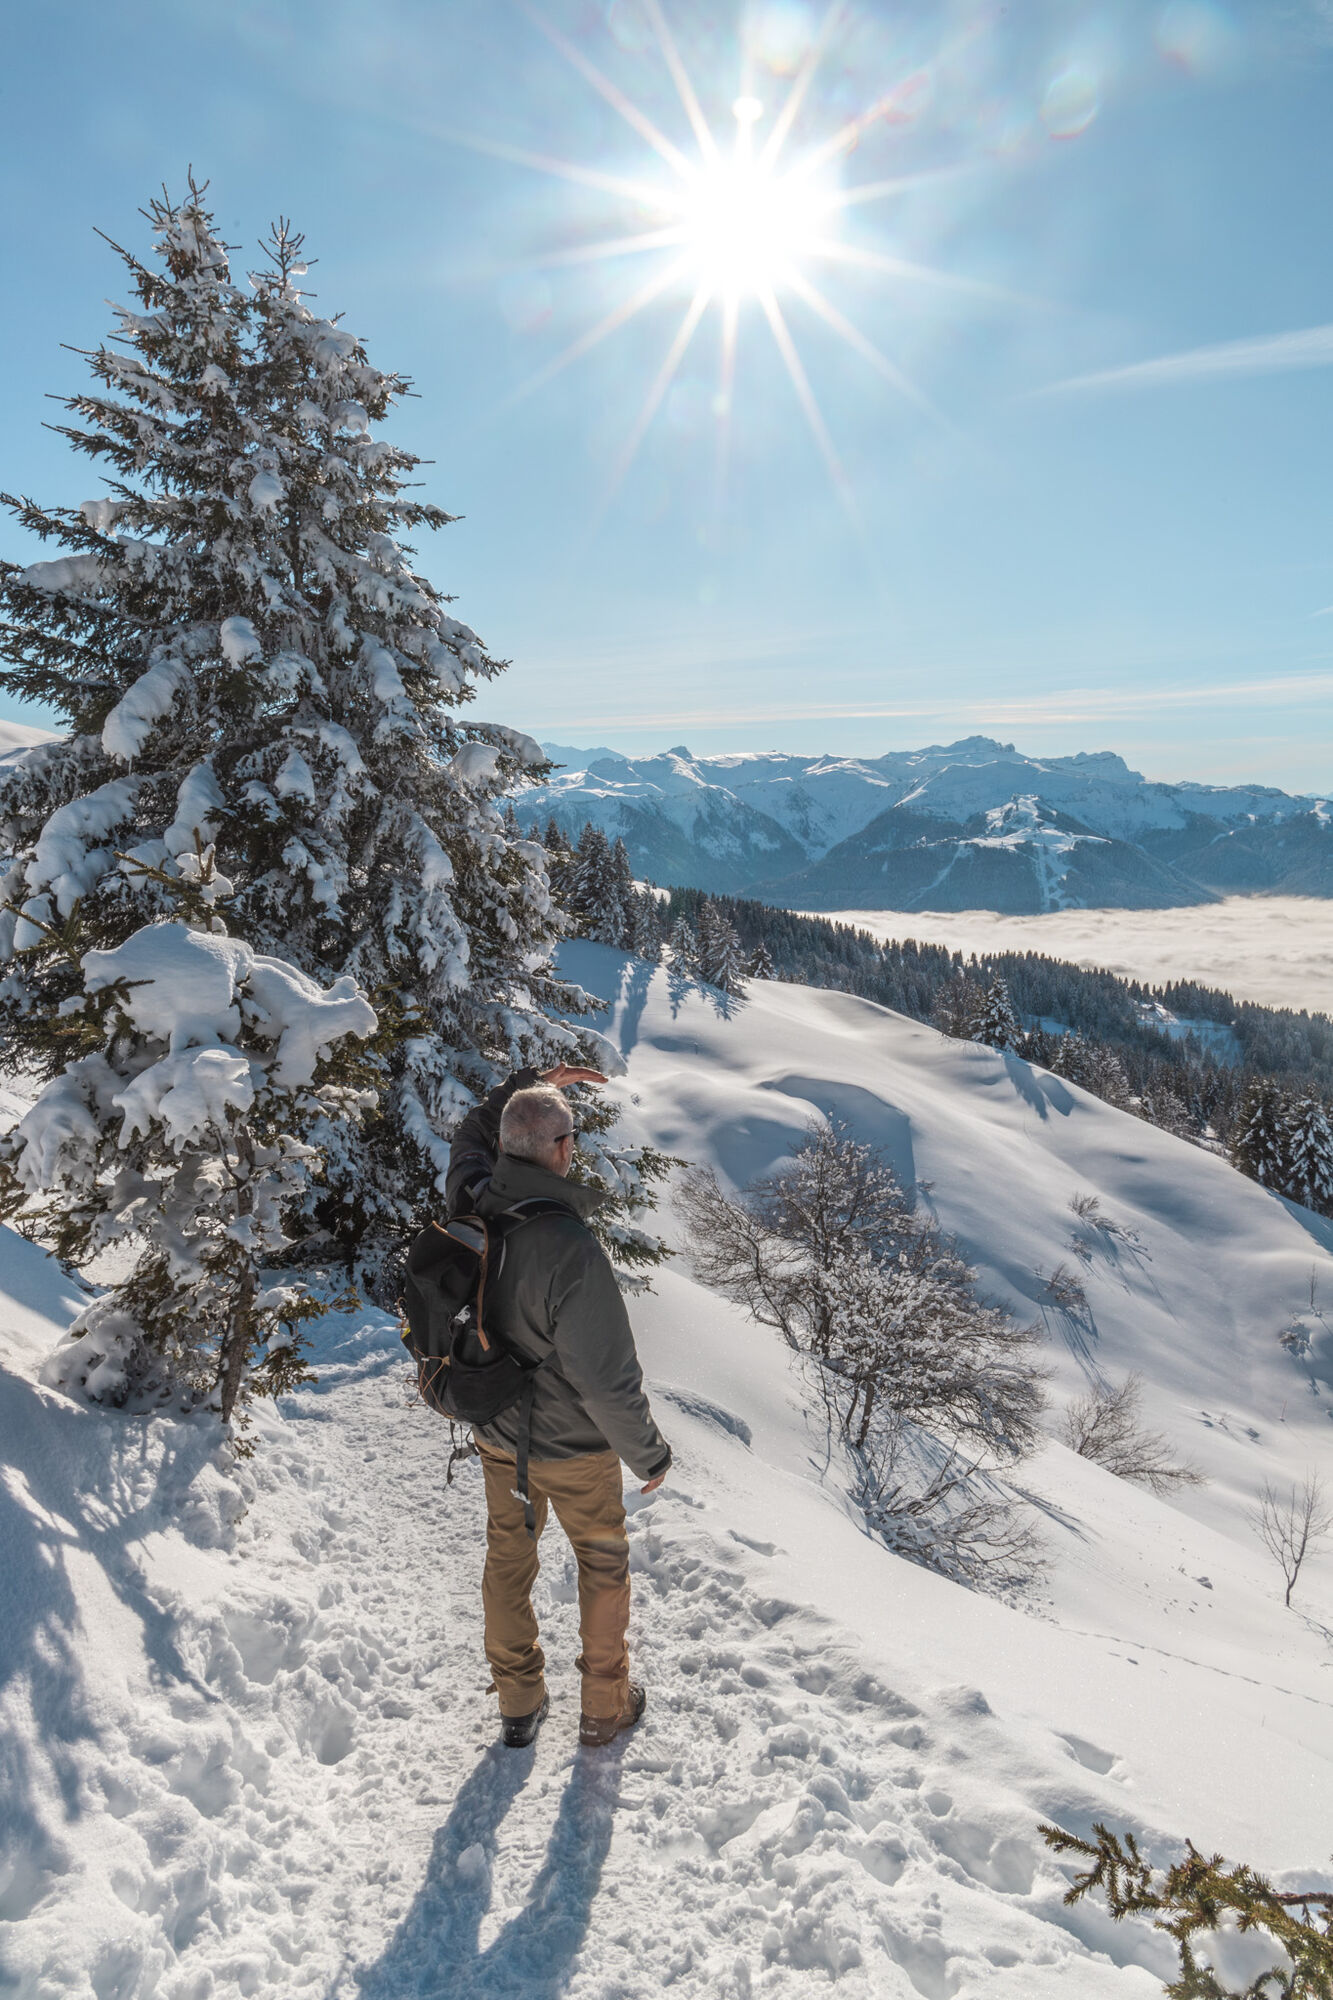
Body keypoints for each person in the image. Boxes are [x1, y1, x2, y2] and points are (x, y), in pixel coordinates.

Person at [446, 1063, 672, 1750]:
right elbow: (605, 1379)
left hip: (498, 1434)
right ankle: (604, 1706)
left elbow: (466, 1141)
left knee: (508, 1563)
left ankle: (518, 1702)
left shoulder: (474, 1198)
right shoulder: (570, 1247)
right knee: (601, 1566)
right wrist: (648, 1454)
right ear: (561, 1150)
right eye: (570, 1138)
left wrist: (523, 1087)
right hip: (575, 1450)